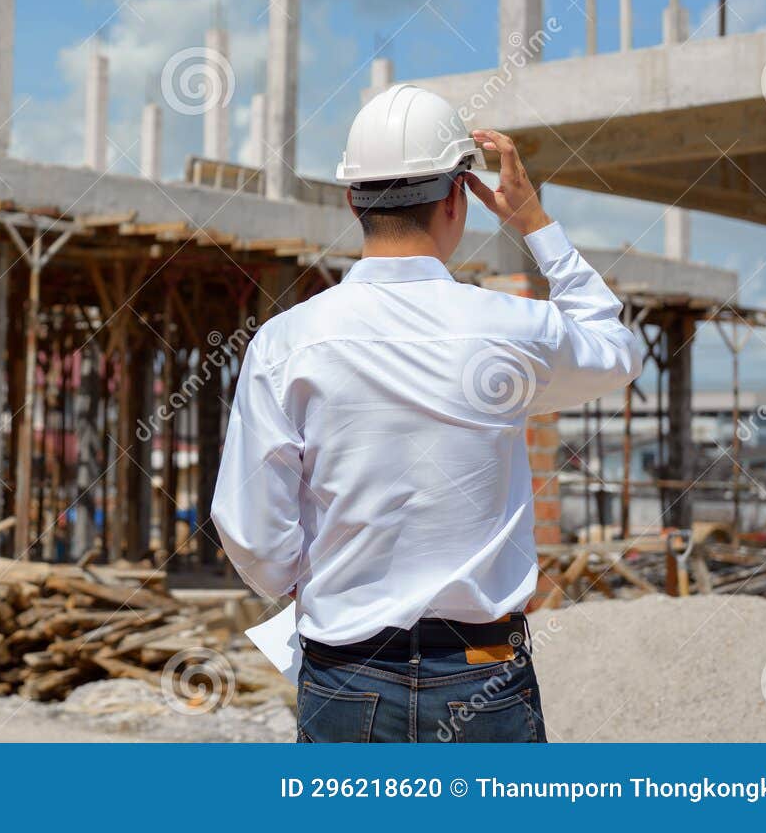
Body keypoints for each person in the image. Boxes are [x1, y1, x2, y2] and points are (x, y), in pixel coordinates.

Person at [212, 84, 641, 743]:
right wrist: (535, 224)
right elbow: (617, 350)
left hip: (345, 675)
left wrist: (307, 582)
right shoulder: (510, 329)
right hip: (484, 673)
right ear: (456, 198)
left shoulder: (286, 343)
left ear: (352, 198)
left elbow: (250, 530)